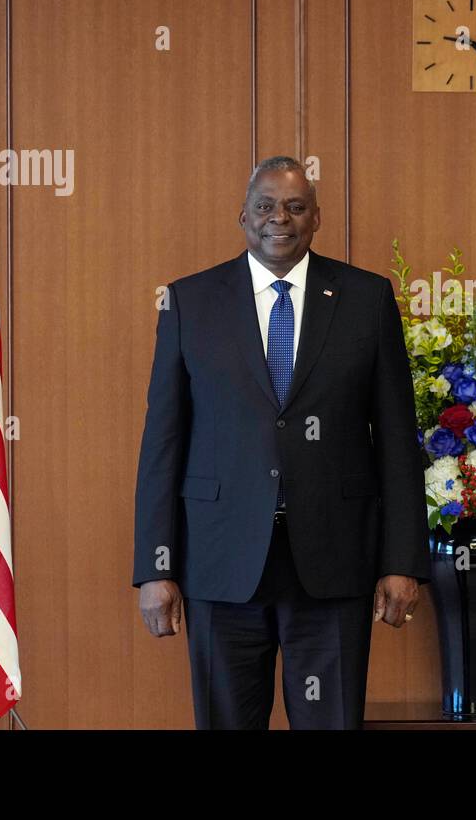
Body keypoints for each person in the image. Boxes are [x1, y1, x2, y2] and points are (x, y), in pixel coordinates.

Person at [132, 155, 429, 729]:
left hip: (333, 563)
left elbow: (396, 438)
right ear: (243, 215)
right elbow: (163, 442)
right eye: (266, 206)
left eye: (295, 207)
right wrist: (154, 566)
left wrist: (402, 561)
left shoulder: (366, 298)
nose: (280, 219)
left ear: (316, 218)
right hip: (219, 564)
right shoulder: (190, 301)